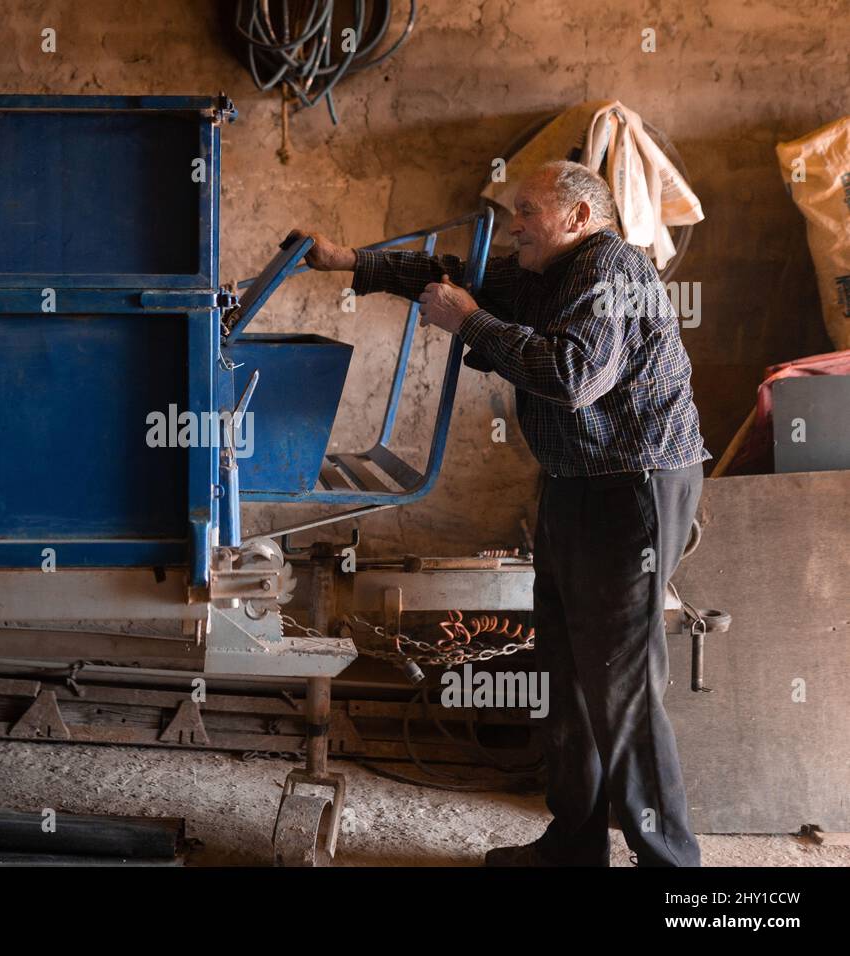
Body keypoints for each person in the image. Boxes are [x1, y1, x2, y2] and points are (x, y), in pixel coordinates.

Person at [293, 160, 710, 867]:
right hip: (579, 483)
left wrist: (474, 323)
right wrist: (347, 261)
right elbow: (451, 277)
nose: (513, 224)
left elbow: (573, 377)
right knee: (568, 673)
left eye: (527, 211)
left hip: (633, 489)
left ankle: (672, 865)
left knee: (622, 684)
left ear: (579, 216)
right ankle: (574, 846)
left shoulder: (612, 271)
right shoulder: (552, 272)